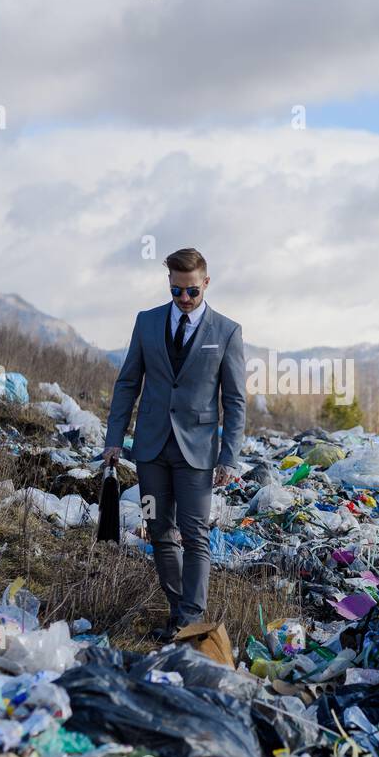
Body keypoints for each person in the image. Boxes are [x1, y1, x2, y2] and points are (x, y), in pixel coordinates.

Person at [102, 248, 246, 641]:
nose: (184, 299)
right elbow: (128, 382)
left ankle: (189, 620)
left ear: (206, 284)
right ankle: (181, 612)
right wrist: (114, 438)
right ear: (169, 284)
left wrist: (229, 457)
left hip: (198, 453)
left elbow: (234, 401)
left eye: (192, 292)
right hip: (150, 448)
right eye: (177, 291)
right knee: (158, 529)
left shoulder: (227, 332)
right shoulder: (146, 323)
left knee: (195, 534)